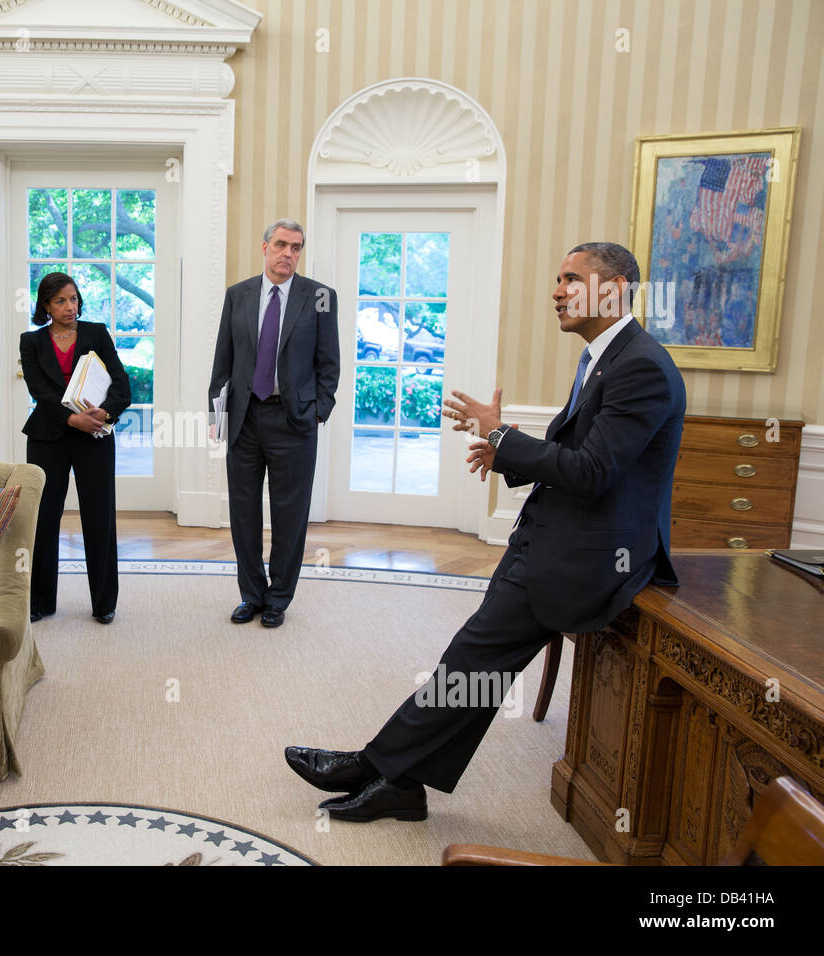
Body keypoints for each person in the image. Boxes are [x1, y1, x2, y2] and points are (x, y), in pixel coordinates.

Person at [284, 242, 687, 822]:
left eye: (571, 278)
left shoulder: (641, 366)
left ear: (615, 288)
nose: (556, 290)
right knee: (474, 669)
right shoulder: (604, 356)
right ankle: (397, 780)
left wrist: (502, 438)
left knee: (471, 663)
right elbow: (580, 454)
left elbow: (594, 473)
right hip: (552, 538)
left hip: (592, 559)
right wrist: (508, 452)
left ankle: (375, 767)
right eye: (557, 277)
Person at [208, 218, 339, 629]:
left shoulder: (320, 297)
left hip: (294, 421)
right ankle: (251, 595)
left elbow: (329, 363)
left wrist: (319, 410)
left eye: (296, 247)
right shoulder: (238, 295)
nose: (289, 254)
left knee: (290, 514)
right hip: (245, 419)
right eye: (281, 245)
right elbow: (222, 361)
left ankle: (279, 598)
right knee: (243, 512)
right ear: (264, 247)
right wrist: (217, 418)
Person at [20, 272, 131, 625]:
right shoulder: (31, 341)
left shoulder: (97, 333)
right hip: (47, 438)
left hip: (94, 437)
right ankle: (40, 601)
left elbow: (122, 384)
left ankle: (104, 604)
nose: (71, 306)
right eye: (61, 301)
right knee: (44, 519)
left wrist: (106, 411)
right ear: (45, 306)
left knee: (99, 519)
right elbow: (39, 391)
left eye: (74, 299)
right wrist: (71, 420)